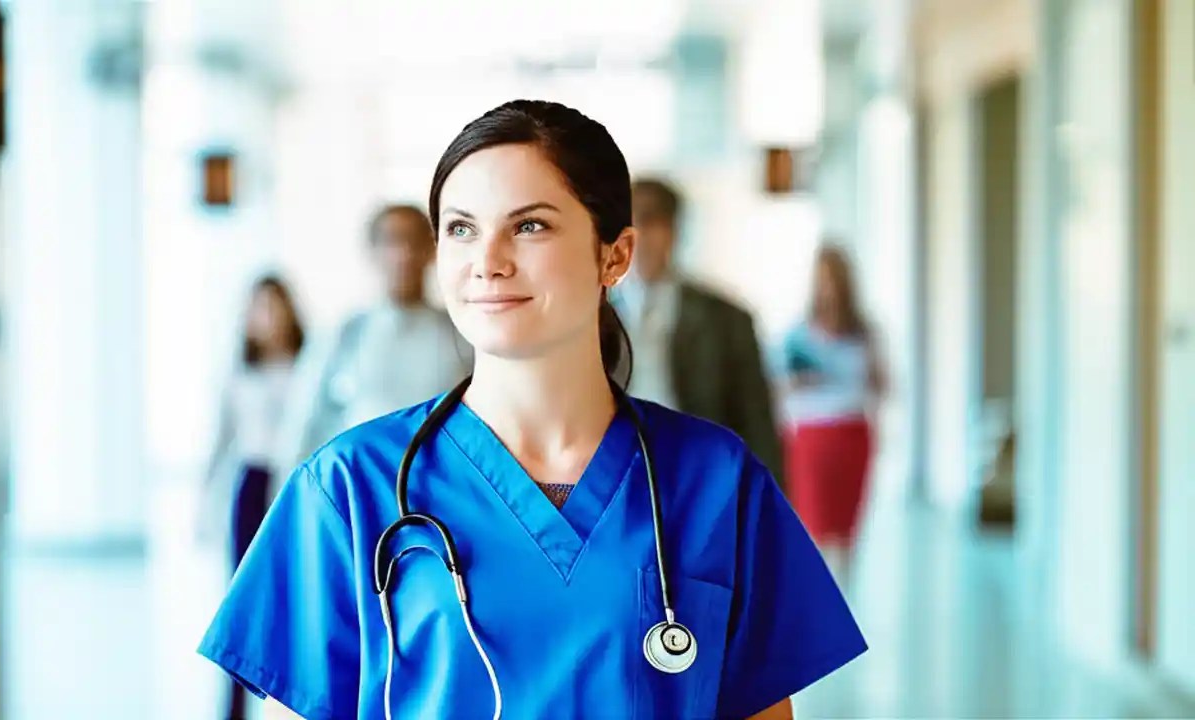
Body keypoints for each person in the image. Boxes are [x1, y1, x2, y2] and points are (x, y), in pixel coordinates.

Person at [198, 100, 865, 720]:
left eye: (530, 226)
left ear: (616, 254)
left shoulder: (715, 482)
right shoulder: (348, 488)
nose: (487, 261)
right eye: (461, 229)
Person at [613, 178, 786, 486]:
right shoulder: (592, 314)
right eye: (628, 224)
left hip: (697, 477)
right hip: (618, 479)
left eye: (649, 221)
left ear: (673, 232)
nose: (638, 237)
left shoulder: (725, 320)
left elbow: (758, 425)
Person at [276, 204, 471, 472]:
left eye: (415, 241)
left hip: (439, 485)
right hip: (359, 483)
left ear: (432, 250)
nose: (404, 254)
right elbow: (306, 421)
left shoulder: (459, 331)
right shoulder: (346, 332)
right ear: (371, 250)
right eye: (393, 241)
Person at [199, 274, 306, 720]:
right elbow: (220, 441)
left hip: (294, 487)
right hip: (252, 485)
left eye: (275, 306)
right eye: (259, 308)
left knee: (294, 596)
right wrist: (204, 505)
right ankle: (235, 709)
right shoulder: (238, 373)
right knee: (245, 601)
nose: (268, 318)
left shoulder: (309, 365)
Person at [779, 244, 886, 579]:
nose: (828, 288)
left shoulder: (865, 334)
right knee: (814, 525)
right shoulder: (797, 335)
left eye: (834, 279)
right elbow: (777, 385)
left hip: (853, 435)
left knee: (845, 531)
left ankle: (841, 598)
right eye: (822, 279)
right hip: (811, 437)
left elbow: (882, 384)